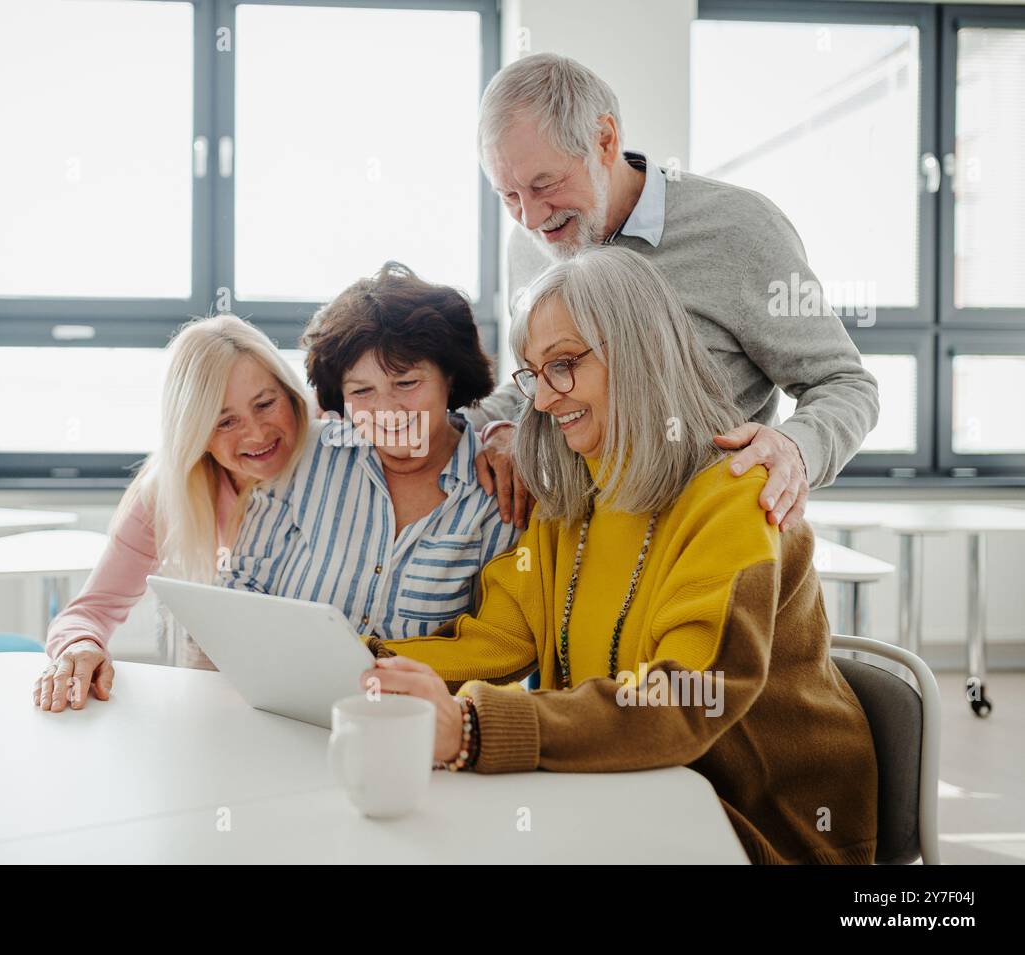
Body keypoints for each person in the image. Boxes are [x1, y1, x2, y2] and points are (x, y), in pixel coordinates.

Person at [365, 247, 878, 865]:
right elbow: (497, 638)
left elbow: (684, 700)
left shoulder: (737, 498)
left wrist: (474, 729)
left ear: (642, 354)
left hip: (749, 826)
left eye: (564, 366)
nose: (547, 401)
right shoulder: (571, 498)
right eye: (534, 374)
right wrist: (365, 663)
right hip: (619, 797)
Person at [462, 53, 880, 533]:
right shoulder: (529, 244)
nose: (533, 218)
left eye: (546, 184)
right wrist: (487, 427)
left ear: (604, 140)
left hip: (706, 542)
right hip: (580, 555)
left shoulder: (738, 230)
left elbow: (845, 384)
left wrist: (796, 448)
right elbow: (539, 383)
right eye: (509, 197)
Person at [222, 262, 521, 639]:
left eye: (407, 382)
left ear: (451, 375)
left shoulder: (494, 490)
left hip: (420, 700)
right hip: (284, 694)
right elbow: (240, 584)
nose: (388, 410)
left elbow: (494, 643)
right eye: (362, 391)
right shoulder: (309, 456)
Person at [32, 314, 312, 712]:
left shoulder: (334, 455)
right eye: (226, 421)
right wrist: (79, 646)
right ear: (195, 433)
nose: (256, 433)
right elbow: (90, 610)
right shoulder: (168, 494)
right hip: (218, 706)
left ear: (290, 393)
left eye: (266, 404)